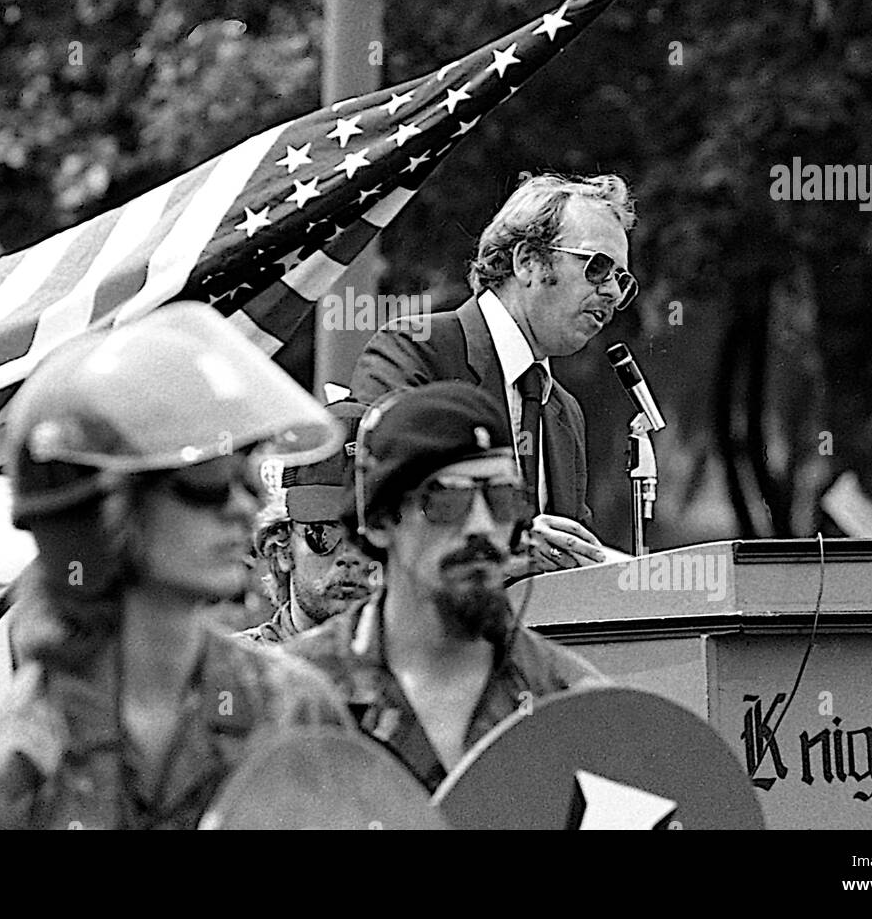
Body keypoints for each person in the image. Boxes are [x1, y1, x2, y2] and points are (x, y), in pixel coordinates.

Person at [0, 303, 357, 830]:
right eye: (209, 479)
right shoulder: (6, 768)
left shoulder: (295, 711)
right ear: (102, 512)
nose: (242, 507)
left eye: (248, 477)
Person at [286, 382, 609, 793]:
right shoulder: (298, 699)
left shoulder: (570, 699)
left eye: (502, 497)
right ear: (382, 522)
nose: (481, 527)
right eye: (446, 500)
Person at [351, 171, 638, 574]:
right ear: (527, 261)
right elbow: (377, 503)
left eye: (621, 279)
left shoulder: (564, 411)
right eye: (598, 267)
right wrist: (510, 545)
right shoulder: (416, 349)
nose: (612, 291)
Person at [240, 398, 379, 644]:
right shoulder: (228, 673)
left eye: (366, 536)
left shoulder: (438, 673)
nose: (347, 556)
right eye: (321, 533)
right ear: (283, 550)